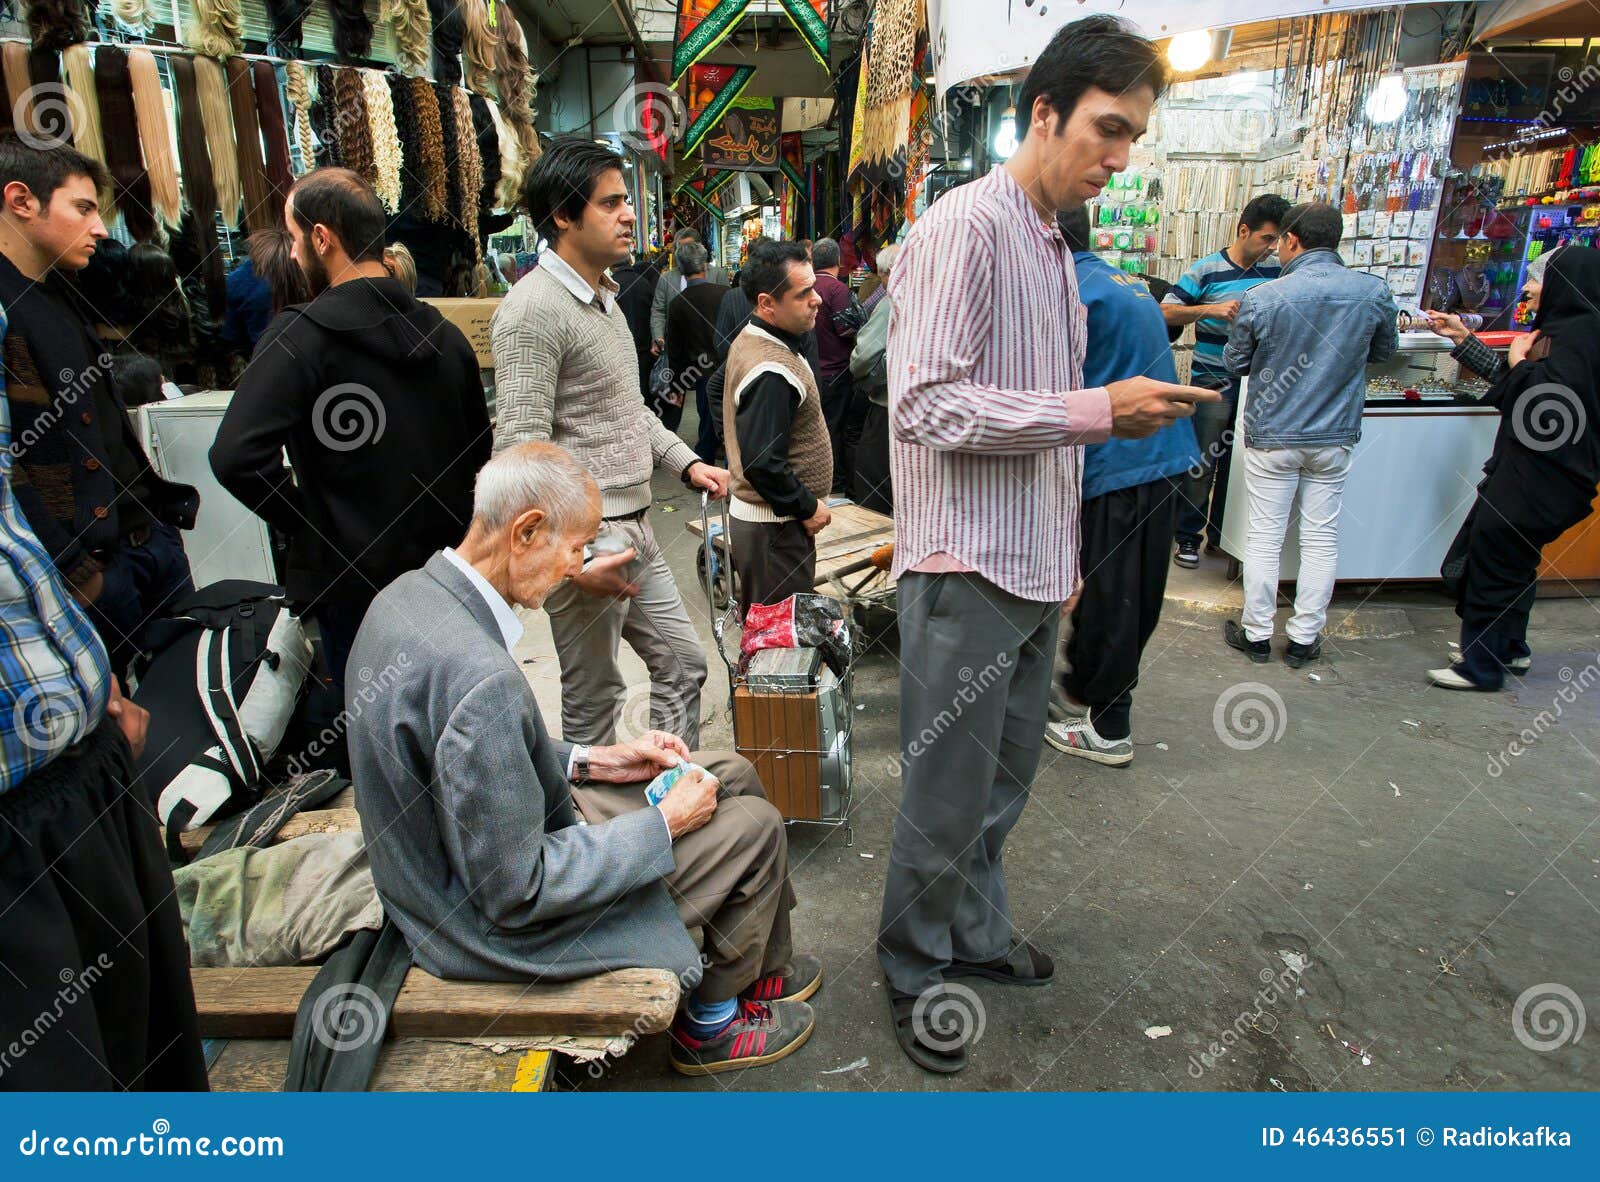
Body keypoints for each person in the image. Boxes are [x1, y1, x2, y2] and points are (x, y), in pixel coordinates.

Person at [877, 15, 1213, 1074]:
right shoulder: (960, 229)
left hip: (1025, 566)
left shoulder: (1052, 244)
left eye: (1133, 139)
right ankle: (911, 965)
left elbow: (1040, 417)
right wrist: (1095, 412)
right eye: (1106, 131)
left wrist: (1064, 558)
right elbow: (927, 406)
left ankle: (971, 935)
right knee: (944, 795)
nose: (1117, 160)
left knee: (1006, 780)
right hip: (962, 565)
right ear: (1043, 114)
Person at [347, 442, 819, 1075]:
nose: (580, 566)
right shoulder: (478, 677)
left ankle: (757, 964)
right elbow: (517, 891)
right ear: (527, 531)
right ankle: (709, 1023)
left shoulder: (409, 595)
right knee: (753, 828)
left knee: (732, 773)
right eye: (577, 547)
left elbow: (462, 755)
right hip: (475, 923)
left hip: (460, 859)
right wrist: (663, 825)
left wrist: (597, 759)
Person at [0, 305, 207, 1091]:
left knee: (150, 1047)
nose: (96, 225)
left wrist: (89, 670)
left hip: (82, 766)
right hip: (18, 818)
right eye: (79, 206)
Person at [211, 167, 491, 691]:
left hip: (354, 591)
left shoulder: (298, 337)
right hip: (447, 578)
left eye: (294, 240)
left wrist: (307, 522)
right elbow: (479, 461)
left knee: (376, 738)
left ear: (323, 238)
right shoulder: (448, 337)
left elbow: (234, 457)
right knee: (455, 713)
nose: (292, 256)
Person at [491, 138, 727, 748]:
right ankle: (592, 835)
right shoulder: (532, 311)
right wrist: (570, 558)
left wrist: (688, 462)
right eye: (612, 202)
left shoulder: (606, 300)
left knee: (683, 665)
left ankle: (663, 799)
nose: (629, 214)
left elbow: (628, 410)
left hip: (638, 527)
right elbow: (519, 455)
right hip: (588, 539)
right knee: (595, 702)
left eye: (627, 200)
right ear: (564, 217)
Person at [0, 134, 198, 683]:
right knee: (128, 725)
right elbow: (8, 474)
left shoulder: (61, 291)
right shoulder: (7, 310)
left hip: (147, 543)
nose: (101, 229)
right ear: (21, 201)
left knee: (186, 702)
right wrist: (78, 574)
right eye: (83, 208)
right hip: (94, 570)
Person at [1044, 207, 1201, 764]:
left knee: (1112, 594)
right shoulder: (1121, 282)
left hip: (1120, 462)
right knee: (1127, 590)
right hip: (1161, 457)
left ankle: (1109, 725)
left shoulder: (1069, 293)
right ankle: (1085, 695)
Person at [1221, 202, 1397, 667]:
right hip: (1333, 433)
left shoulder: (1264, 296)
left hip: (1274, 432)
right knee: (1321, 537)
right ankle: (1304, 639)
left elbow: (1236, 364)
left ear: (1292, 240)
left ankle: (1257, 634)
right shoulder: (1372, 292)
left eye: (1279, 241)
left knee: (1265, 536)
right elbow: (1384, 352)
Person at [1424, 245, 1600, 690]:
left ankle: (1479, 666)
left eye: (1539, 279)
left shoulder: (1582, 340)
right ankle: (1507, 649)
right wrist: (1463, 339)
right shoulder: (1569, 333)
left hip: (1538, 478)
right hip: (1538, 476)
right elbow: (1517, 381)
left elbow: (1547, 411)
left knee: (1494, 559)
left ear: (1564, 286)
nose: (1528, 287)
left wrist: (1521, 365)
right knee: (1515, 562)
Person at [1161, 193, 1290, 568]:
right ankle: (1188, 537)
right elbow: (1165, 311)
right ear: (1244, 230)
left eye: (1277, 240)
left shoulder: (1278, 273)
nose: (1271, 248)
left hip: (1261, 385)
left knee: (1242, 465)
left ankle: (1224, 538)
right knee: (1203, 461)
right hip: (1213, 383)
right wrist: (1210, 309)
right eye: (1266, 239)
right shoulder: (1207, 270)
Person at [722, 239, 832, 614]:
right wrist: (806, 507)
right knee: (780, 647)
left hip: (776, 529)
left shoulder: (763, 339)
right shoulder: (771, 368)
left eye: (813, 287)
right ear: (767, 303)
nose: (816, 298)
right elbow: (763, 462)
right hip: (775, 530)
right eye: (803, 294)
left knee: (777, 638)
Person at [846, 243, 899, 513]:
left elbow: (863, 356)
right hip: (915, 408)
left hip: (885, 406)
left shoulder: (893, 303)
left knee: (874, 483)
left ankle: (876, 545)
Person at [665, 239, 728, 458]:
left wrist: (676, 387)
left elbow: (675, 351)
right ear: (705, 266)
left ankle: (707, 472)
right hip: (732, 367)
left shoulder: (678, 304)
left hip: (702, 374)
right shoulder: (725, 294)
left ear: (681, 269)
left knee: (708, 424)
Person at [809, 236, 860, 493]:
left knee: (820, 428)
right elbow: (845, 328)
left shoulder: (807, 286)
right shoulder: (837, 289)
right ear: (838, 262)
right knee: (835, 429)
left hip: (814, 369)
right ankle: (836, 480)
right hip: (836, 371)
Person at [649, 227, 727, 358]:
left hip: (712, 347)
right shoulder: (666, 278)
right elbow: (658, 310)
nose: (685, 253)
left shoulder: (718, 274)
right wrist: (658, 337)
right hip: (679, 348)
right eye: (680, 249)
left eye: (689, 247)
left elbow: (727, 309)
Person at [612, 248, 661, 404]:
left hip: (620, 352)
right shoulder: (644, 283)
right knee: (644, 398)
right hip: (645, 349)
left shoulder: (610, 286)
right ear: (630, 261)